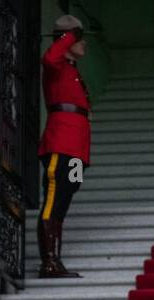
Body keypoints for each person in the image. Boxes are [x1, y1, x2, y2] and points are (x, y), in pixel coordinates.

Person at [37, 14, 91, 279]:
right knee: (53, 200)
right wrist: (69, 34)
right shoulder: (56, 65)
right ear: (66, 38)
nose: (84, 44)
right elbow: (49, 57)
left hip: (77, 149)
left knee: (65, 199)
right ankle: (48, 261)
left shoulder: (71, 71)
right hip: (60, 144)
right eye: (80, 38)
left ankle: (55, 260)